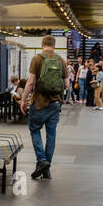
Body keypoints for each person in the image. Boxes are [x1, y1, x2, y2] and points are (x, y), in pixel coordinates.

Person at [19, 35, 67, 181]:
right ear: (54, 45)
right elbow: (66, 84)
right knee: (51, 135)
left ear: (42, 44)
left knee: (34, 130)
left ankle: (41, 159)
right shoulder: (61, 60)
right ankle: (46, 168)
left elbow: (30, 82)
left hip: (38, 103)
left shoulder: (37, 58)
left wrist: (23, 100)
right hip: (54, 104)